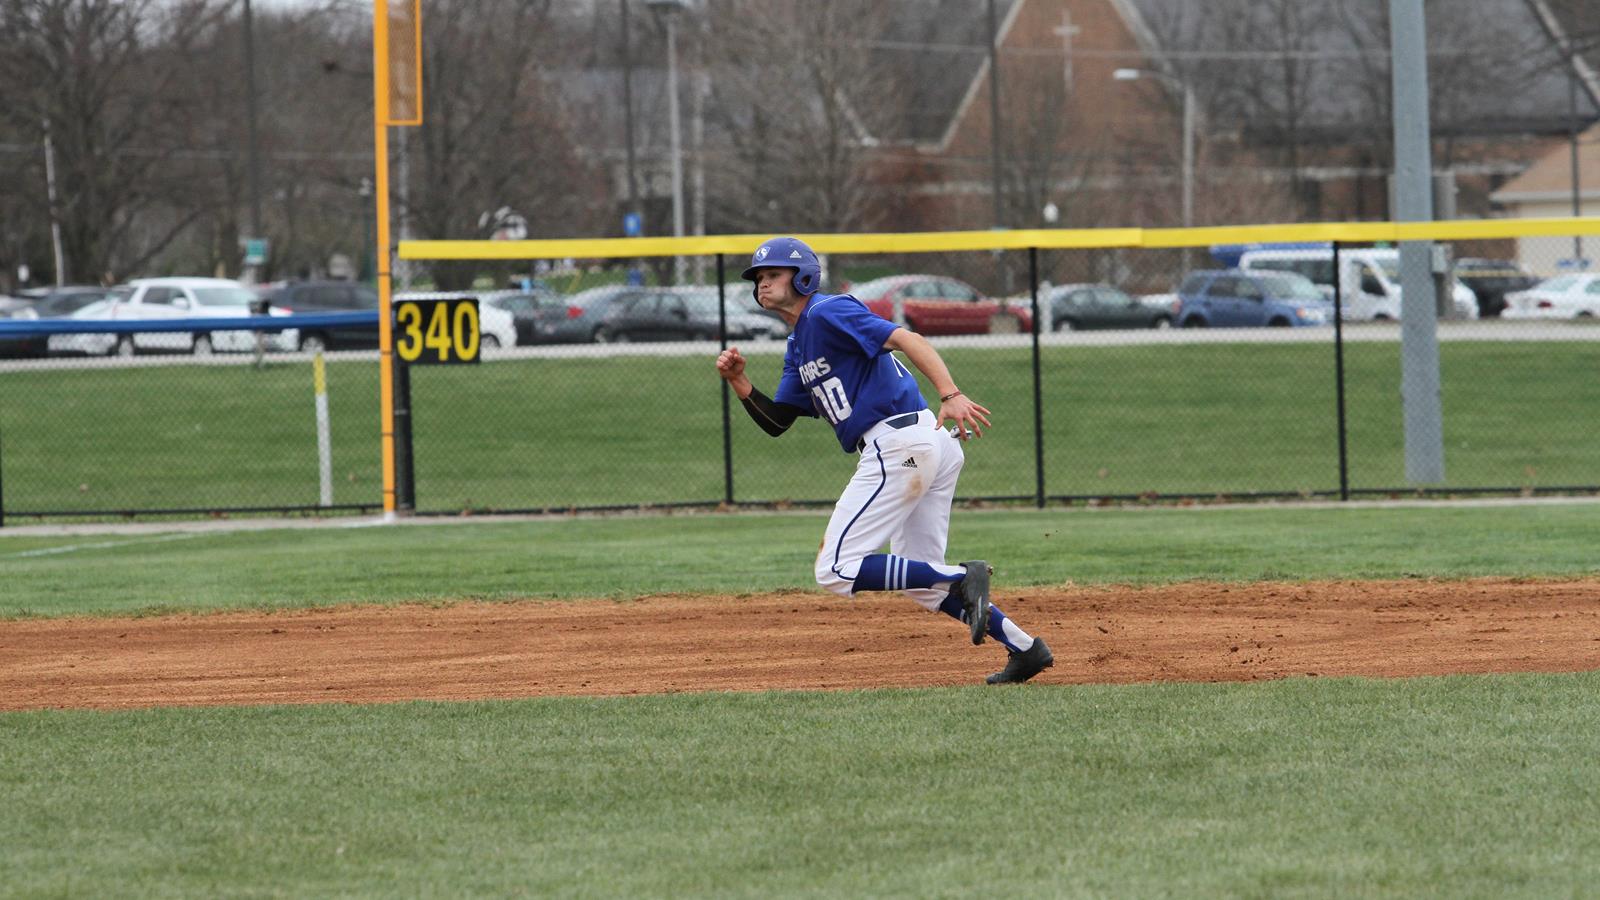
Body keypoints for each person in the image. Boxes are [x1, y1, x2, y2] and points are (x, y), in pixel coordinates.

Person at [714, 236, 1053, 684]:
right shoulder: (799, 344)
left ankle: (961, 575)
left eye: (773, 274)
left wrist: (950, 393)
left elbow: (906, 337)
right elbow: (778, 421)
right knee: (921, 583)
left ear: (803, 277)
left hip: (899, 443)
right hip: (920, 444)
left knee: (835, 569)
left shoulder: (827, 311)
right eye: (758, 277)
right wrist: (740, 382)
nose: (763, 283)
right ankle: (1026, 649)